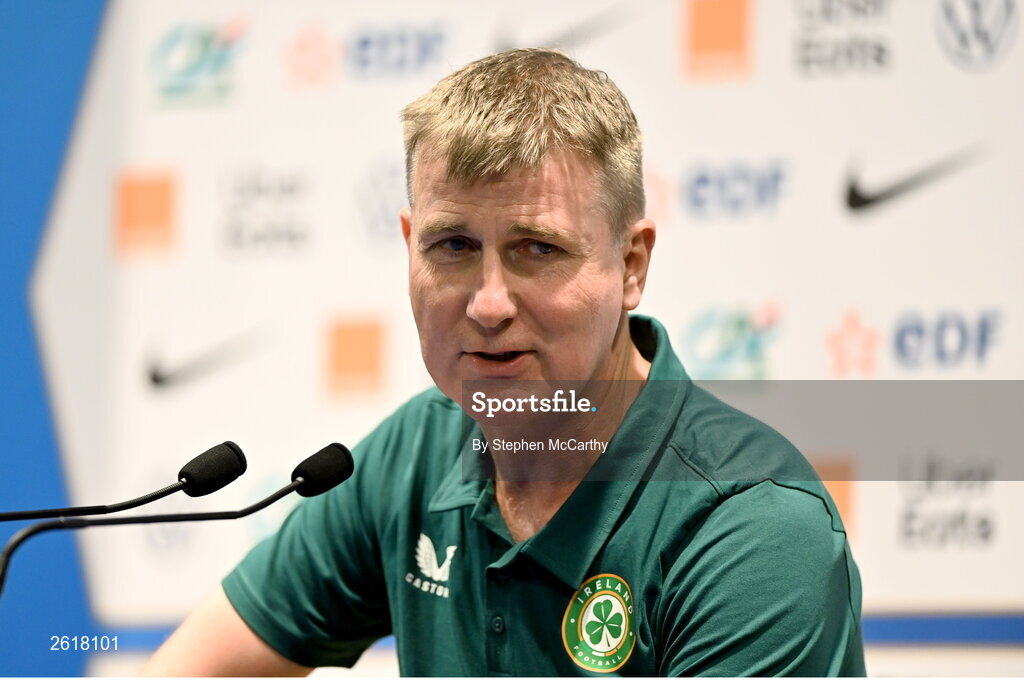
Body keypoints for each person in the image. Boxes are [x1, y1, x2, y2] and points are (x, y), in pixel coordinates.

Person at [141, 48, 865, 676]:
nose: (488, 305)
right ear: (410, 246)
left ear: (631, 265)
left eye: (537, 249)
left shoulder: (755, 527)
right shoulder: (415, 455)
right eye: (453, 246)